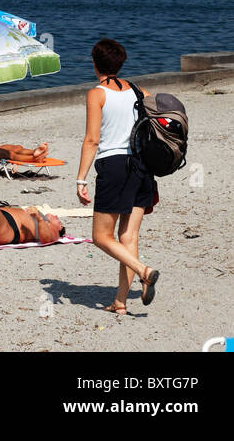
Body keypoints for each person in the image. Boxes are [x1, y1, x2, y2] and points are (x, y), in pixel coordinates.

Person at [75, 38, 160, 314]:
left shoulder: (96, 94)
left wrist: (80, 179)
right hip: (142, 166)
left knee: (101, 237)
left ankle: (143, 270)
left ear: (94, 63)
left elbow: (92, 139)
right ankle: (121, 303)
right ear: (120, 63)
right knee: (128, 237)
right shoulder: (140, 91)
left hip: (114, 167)